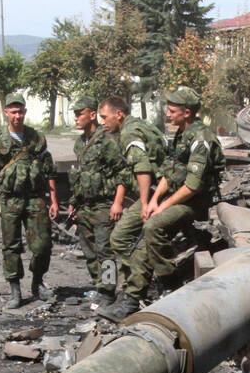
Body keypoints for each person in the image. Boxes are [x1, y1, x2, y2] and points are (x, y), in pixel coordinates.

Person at [119, 87, 224, 321]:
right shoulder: (181, 135)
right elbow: (170, 172)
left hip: (195, 202)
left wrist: (162, 208)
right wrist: (153, 201)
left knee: (153, 227)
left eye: (173, 110)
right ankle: (133, 294)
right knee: (146, 230)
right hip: (179, 196)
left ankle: (170, 282)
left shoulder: (200, 139)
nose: (168, 114)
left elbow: (193, 186)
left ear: (187, 113)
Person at [0, 92, 59, 308]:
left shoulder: (37, 138)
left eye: (21, 111)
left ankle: (37, 282)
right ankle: (15, 291)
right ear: (6, 113)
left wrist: (53, 199)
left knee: (42, 246)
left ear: (25, 112)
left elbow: (49, 170)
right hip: (10, 199)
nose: (17, 116)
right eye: (13, 112)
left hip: (35, 199)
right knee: (10, 247)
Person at [99, 95, 167, 314]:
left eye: (104, 117)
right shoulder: (140, 125)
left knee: (119, 239)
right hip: (158, 189)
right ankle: (134, 287)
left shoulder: (129, 132)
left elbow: (143, 167)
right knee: (127, 241)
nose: (103, 122)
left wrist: (147, 203)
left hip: (154, 192)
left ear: (119, 114)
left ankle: (135, 289)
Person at [65, 95, 130, 299]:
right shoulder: (79, 143)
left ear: (92, 115)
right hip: (84, 206)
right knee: (89, 251)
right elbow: (81, 175)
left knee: (105, 252)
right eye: (74, 114)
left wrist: (118, 203)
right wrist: (73, 203)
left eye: (79, 114)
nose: (75, 118)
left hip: (104, 205)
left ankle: (108, 292)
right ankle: (99, 285)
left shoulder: (107, 140)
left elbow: (123, 173)